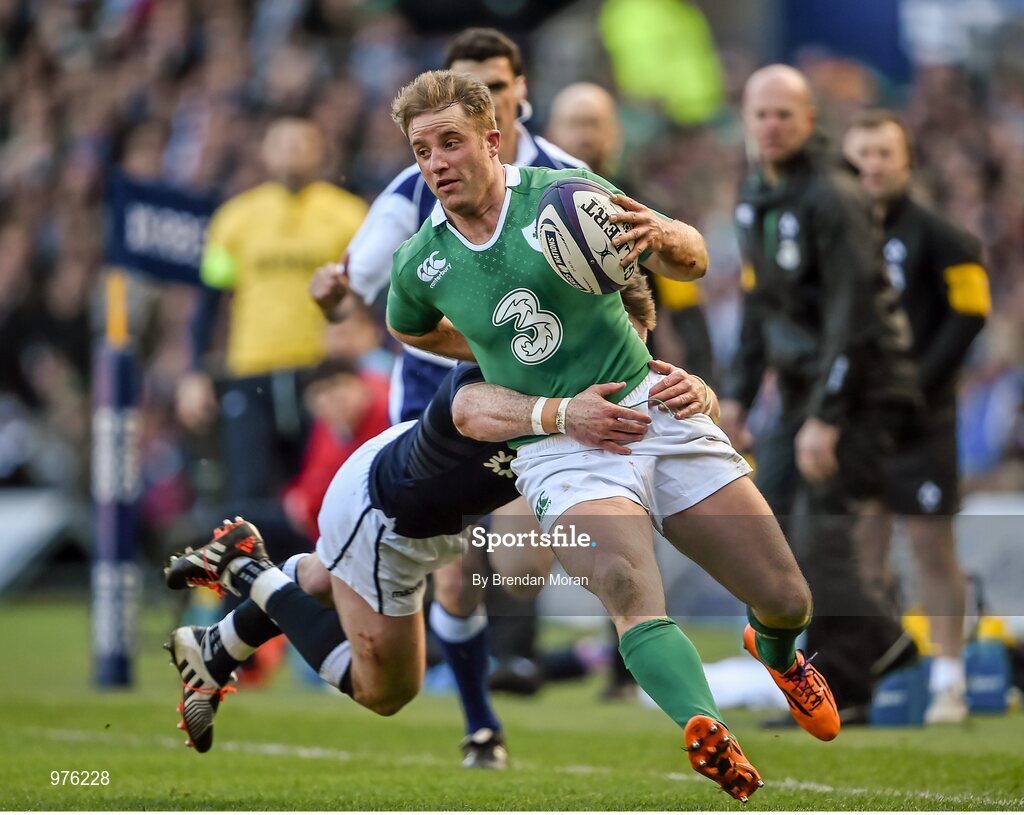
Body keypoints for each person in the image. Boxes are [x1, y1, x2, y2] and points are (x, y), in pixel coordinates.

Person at [383, 69, 844, 800]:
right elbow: (405, 327)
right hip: (561, 450)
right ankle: (708, 729)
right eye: (421, 150)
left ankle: (779, 652)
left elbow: (689, 256)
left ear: (492, 141)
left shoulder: (563, 196)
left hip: (653, 408)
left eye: (451, 142)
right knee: (627, 583)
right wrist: (485, 348)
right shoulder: (423, 262)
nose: (436, 162)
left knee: (786, 595)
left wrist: (662, 232)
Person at [161, 283, 697, 765]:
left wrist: (703, 400)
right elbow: (474, 413)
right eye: (617, 349)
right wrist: (562, 422)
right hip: (386, 516)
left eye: (635, 353)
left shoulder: (592, 389)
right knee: (387, 691)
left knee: (324, 583)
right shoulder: (517, 379)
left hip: (421, 507)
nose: (626, 370)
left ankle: (218, 645)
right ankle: (247, 569)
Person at [309, 27, 586, 747]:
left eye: (492, 86)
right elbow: (357, 283)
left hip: (534, 403)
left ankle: (266, 590)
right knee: (457, 578)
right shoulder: (418, 183)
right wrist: (333, 293)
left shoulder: (562, 176)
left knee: (521, 568)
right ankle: (480, 725)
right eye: (465, 87)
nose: (479, 100)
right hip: (438, 406)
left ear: (520, 90)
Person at [719, 65, 922, 719]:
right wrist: (739, 397)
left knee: (820, 533)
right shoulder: (756, 192)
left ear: (810, 120)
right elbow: (759, 307)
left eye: (785, 114)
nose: (772, 125)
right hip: (803, 389)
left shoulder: (833, 194)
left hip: (859, 385)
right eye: (761, 114)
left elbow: (853, 310)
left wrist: (827, 417)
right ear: (746, 120)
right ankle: (885, 642)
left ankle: (847, 678)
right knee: (768, 524)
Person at [843, 109, 990, 724]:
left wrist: (915, 386)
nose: (872, 166)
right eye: (861, 156)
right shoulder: (839, 232)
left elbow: (970, 317)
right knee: (863, 553)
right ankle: (883, 672)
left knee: (932, 549)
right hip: (858, 420)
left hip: (921, 419)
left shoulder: (944, 237)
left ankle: (950, 678)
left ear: (906, 161)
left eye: (883, 154)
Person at [176, 118, 367, 510]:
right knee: (248, 495)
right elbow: (209, 303)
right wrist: (194, 372)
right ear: (263, 150)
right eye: (283, 142)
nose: (293, 150)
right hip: (251, 371)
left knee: (327, 495)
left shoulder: (350, 215)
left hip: (321, 373)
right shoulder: (234, 218)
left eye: (303, 141)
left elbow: (373, 294)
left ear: (320, 151)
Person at [545, 81, 716, 387]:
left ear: (616, 134)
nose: (585, 136)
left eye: (595, 124)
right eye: (575, 124)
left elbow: (687, 310)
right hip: (556, 384)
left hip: (633, 380)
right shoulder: (528, 210)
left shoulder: (645, 210)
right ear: (551, 135)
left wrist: (706, 384)